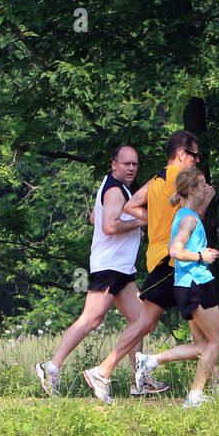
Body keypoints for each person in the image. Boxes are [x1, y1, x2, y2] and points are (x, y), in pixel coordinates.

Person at [81, 130, 210, 405]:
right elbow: (193, 218)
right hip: (175, 260)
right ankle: (104, 370)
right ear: (181, 154)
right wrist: (203, 202)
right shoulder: (187, 180)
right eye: (195, 155)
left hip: (162, 258)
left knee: (170, 324)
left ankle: (213, 383)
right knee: (197, 328)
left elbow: (130, 205)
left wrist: (154, 222)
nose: (198, 160)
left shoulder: (156, 179)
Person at [35, 145, 167, 397]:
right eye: (126, 164)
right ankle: (50, 367)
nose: (131, 168)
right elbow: (108, 225)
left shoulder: (113, 187)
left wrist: (128, 225)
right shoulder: (116, 189)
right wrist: (142, 221)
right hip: (109, 266)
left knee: (141, 321)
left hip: (121, 268)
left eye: (135, 164)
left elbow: (96, 218)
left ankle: (140, 381)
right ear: (114, 164)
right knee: (91, 319)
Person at [133, 168, 219, 408]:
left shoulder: (187, 214)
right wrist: (201, 256)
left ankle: (151, 361)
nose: (207, 188)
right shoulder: (188, 218)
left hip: (185, 285)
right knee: (217, 339)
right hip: (195, 284)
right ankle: (194, 396)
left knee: (202, 345)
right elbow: (175, 250)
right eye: (203, 185)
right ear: (192, 189)